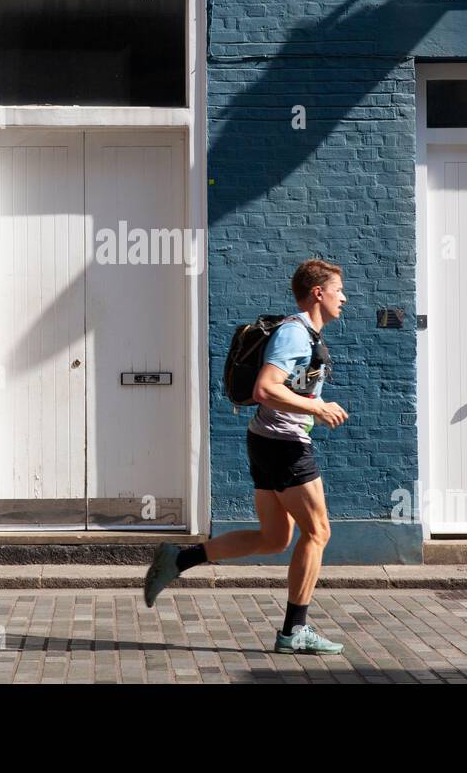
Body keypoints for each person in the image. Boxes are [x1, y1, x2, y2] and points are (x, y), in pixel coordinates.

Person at [144, 258, 349, 655]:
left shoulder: (307, 335)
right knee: (318, 532)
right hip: (284, 445)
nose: (345, 297)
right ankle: (294, 632)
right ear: (318, 293)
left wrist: (314, 403)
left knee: (274, 538)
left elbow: (292, 388)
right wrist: (318, 410)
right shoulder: (294, 334)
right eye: (339, 289)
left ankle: (179, 560)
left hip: (267, 441)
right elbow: (265, 389)